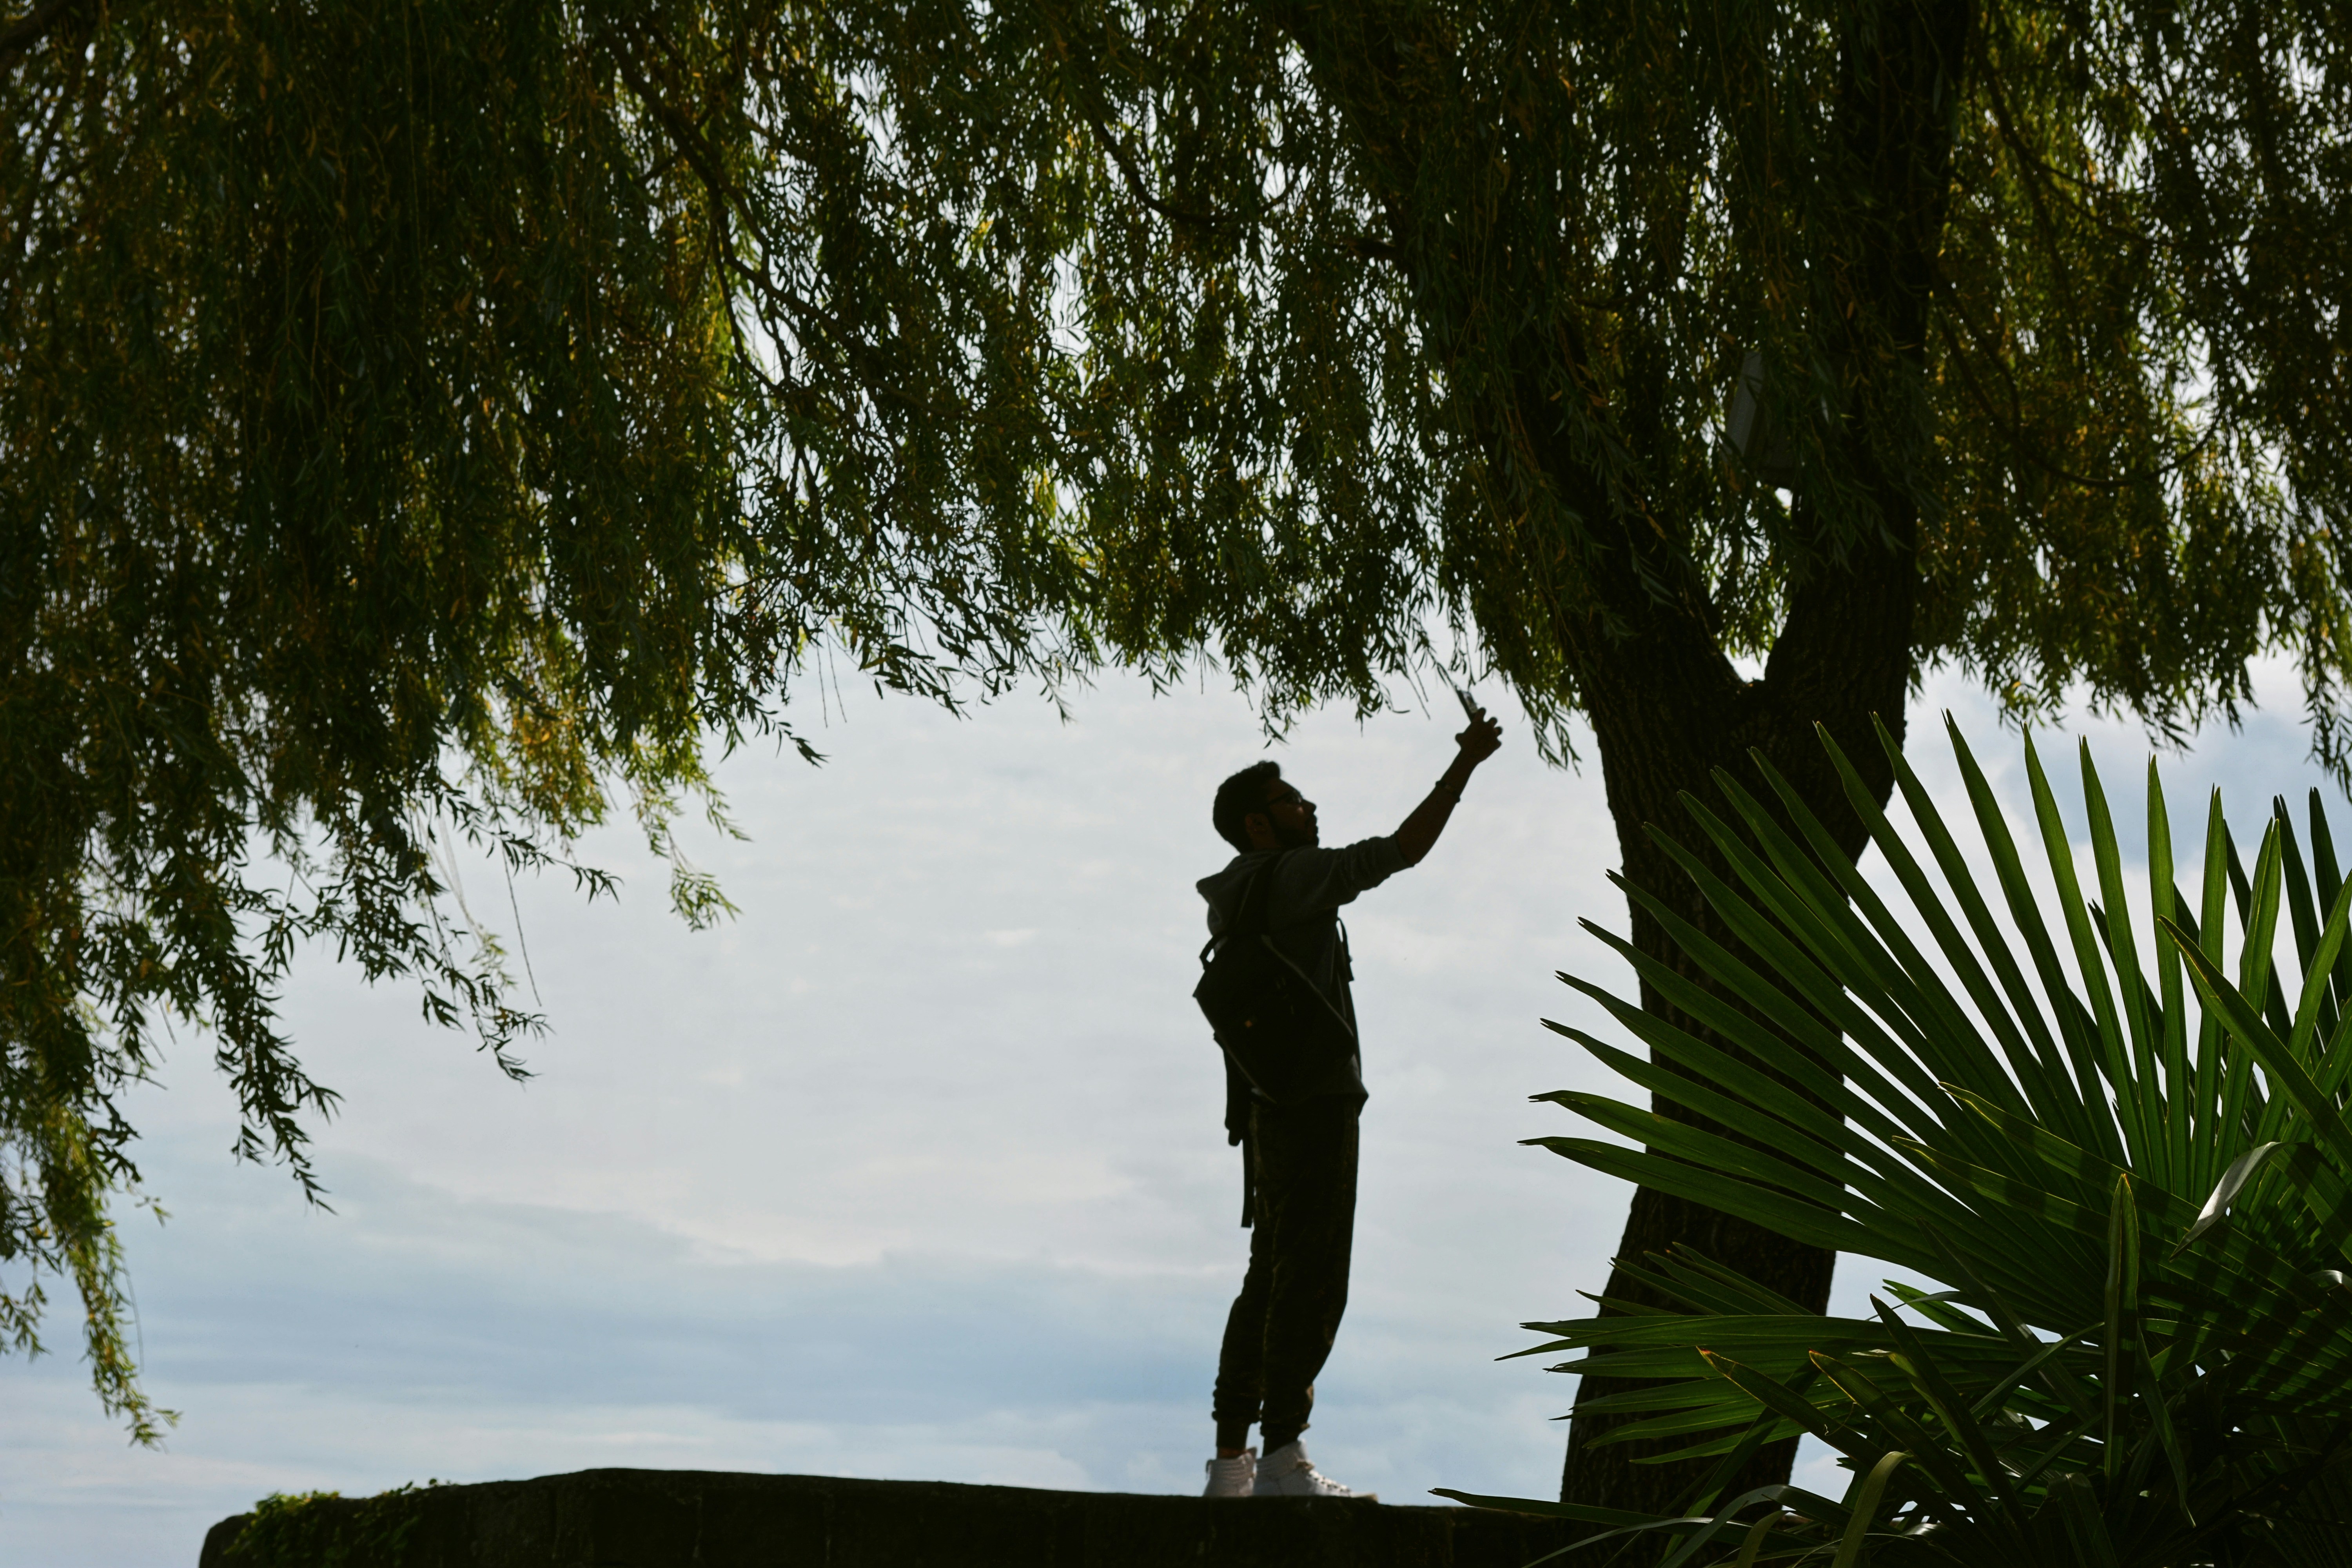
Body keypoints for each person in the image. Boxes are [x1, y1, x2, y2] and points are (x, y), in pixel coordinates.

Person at [1194, 703, 1505, 1499]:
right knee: (1316, 1270)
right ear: (1259, 825)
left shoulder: (1233, 895)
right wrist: (1464, 764)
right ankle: (1286, 1454)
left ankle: (1232, 1462)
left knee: (1269, 1270)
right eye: (1293, 802)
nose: (1310, 809)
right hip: (1318, 1097)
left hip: (1264, 1102)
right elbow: (1397, 852)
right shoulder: (1294, 877)